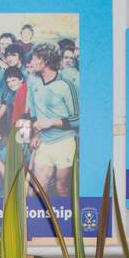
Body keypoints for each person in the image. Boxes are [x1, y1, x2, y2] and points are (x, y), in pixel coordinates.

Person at [25, 43, 78, 196]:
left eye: (35, 59)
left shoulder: (66, 85)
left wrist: (52, 122)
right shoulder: (33, 82)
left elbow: (78, 120)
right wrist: (35, 134)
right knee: (35, 190)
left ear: (45, 61)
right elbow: (34, 115)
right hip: (44, 143)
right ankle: (37, 220)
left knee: (62, 188)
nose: (31, 62)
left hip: (64, 143)